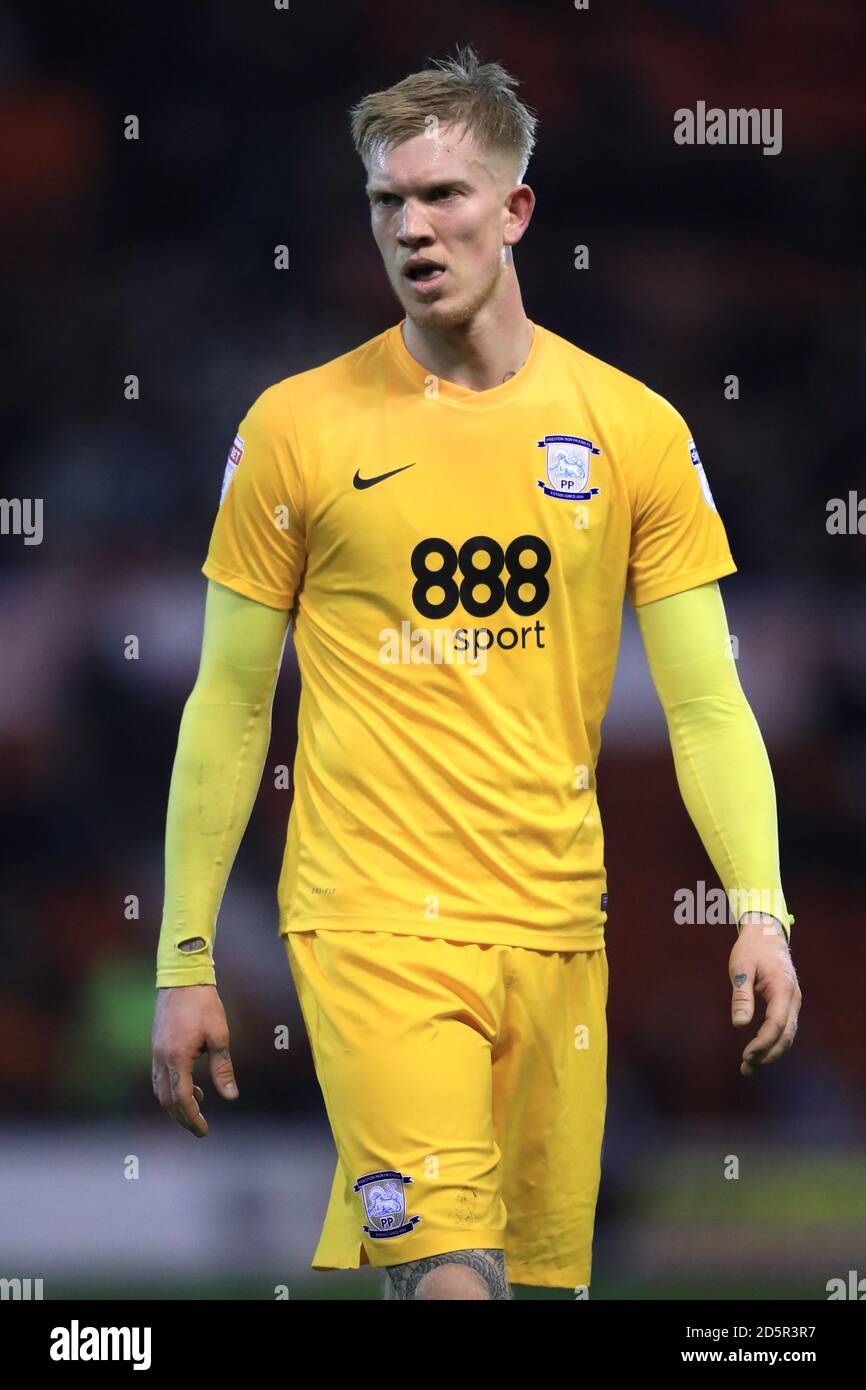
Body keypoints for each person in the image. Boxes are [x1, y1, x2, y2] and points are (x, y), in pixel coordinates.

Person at [151, 46, 801, 1301]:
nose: (412, 227)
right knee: (455, 1283)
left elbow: (703, 701)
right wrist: (183, 956)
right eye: (387, 202)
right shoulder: (295, 427)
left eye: (443, 196)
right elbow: (227, 703)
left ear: (514, 212)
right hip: (370, 921)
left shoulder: (633, 431)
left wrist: (757, 904)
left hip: (558, 928)